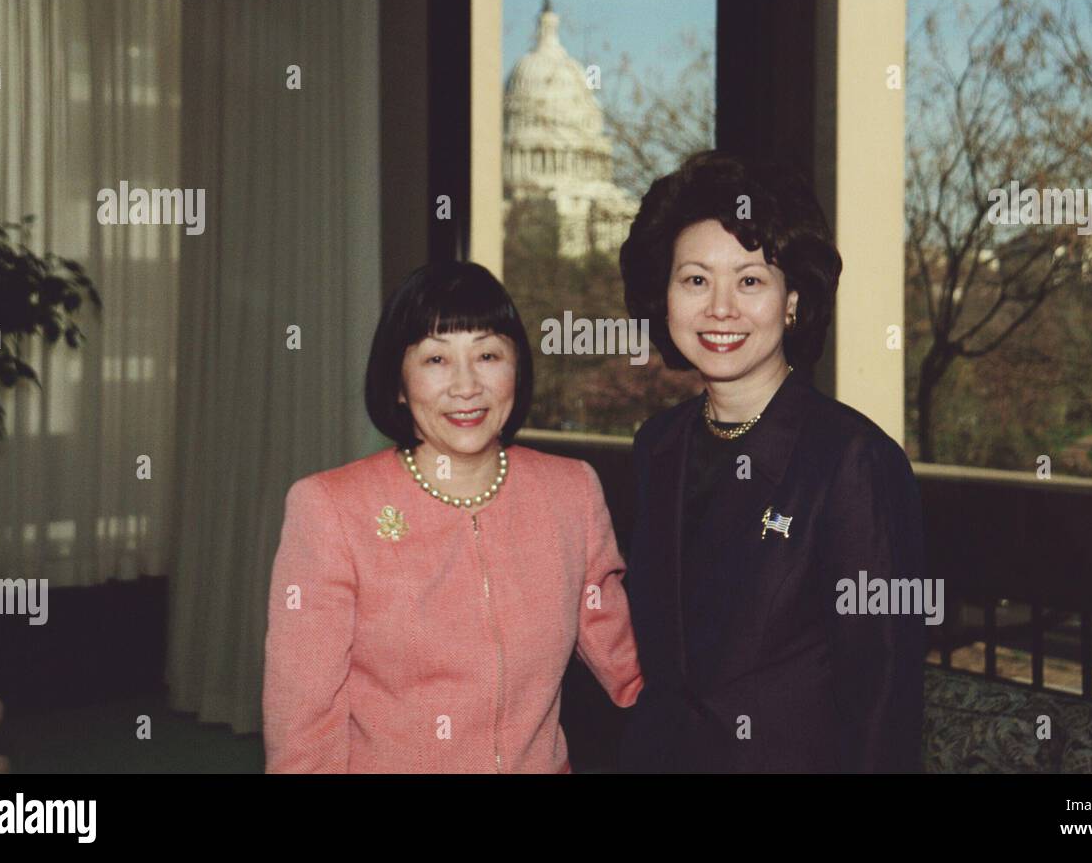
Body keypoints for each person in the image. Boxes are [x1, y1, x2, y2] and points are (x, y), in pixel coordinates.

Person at [262, 261, 642, 772]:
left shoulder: (570, 492)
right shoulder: (330, 509)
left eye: (487, 355)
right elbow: (303, 719)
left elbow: (623, 660)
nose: (466, 386)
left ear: (517, 369)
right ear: (398, 383)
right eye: (436, 359)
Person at [616, 150, 927, 772]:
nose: (720, 308)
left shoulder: (854, 464)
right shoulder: (657, 446)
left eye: (751, 280)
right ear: (664, 296)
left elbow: (883, 697)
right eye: (696, 279)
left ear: (793, 302)